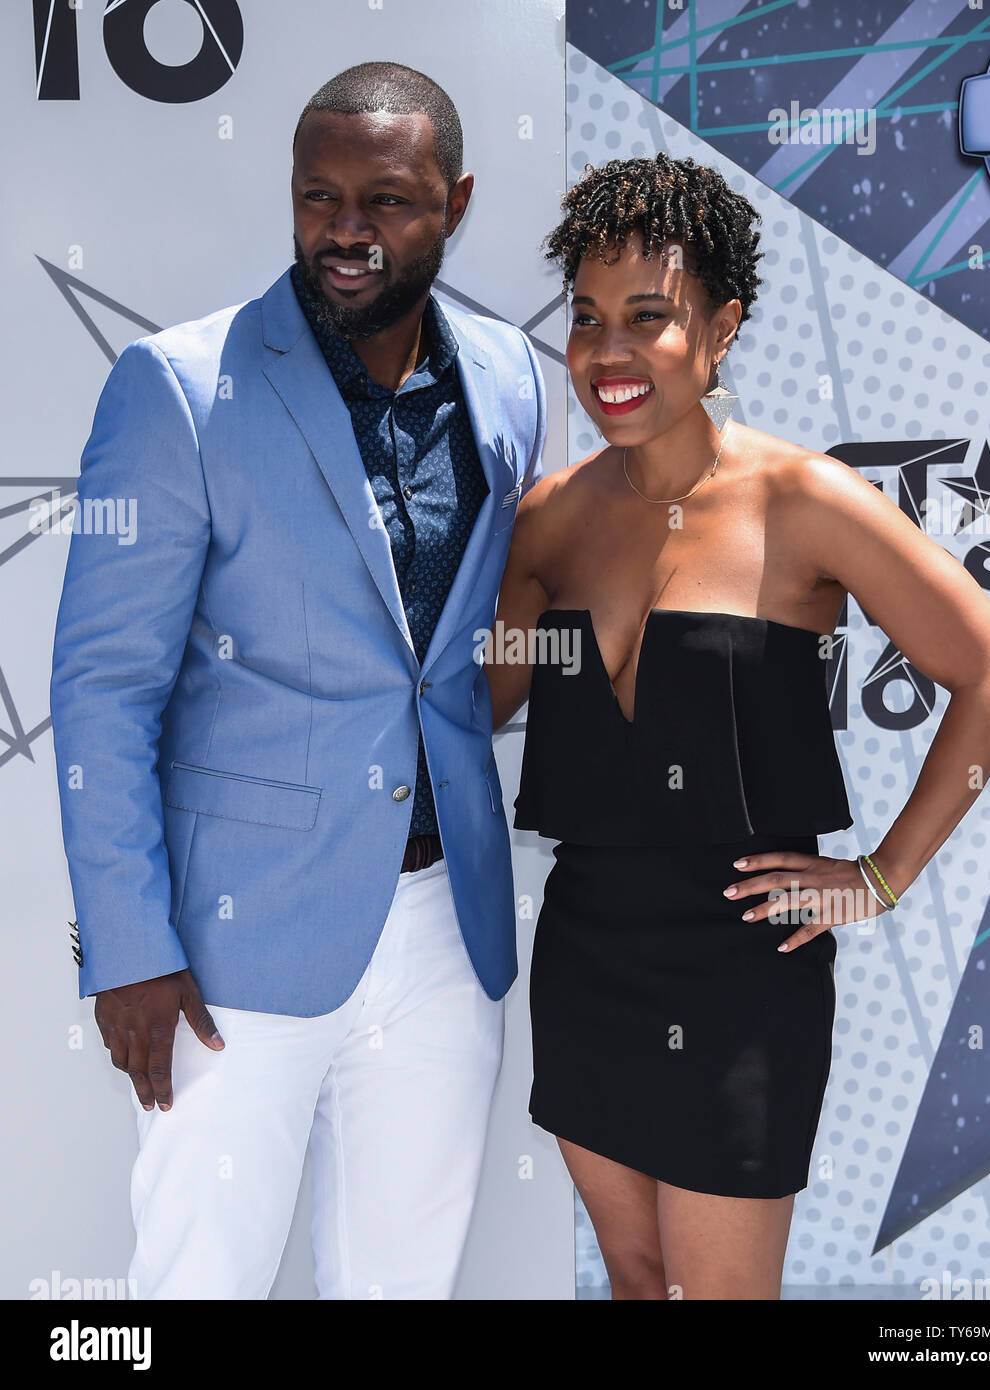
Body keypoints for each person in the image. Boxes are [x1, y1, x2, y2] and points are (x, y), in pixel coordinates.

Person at [485, 153, 990, 1301]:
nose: (607, 353)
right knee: (636, 1283)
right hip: (588, 958)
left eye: (650, 317)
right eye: (586, 319)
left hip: (743, 971)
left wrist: (879, 876)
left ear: (725, 327)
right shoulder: (547, 520)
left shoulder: (805, 500)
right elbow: (483, 699)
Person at [50, 62, 545, 1300]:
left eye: (387, 201)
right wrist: (127, 947)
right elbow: (105, 688)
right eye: (319, 196)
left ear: (458, 200)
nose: (346, 231)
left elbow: (491, 642)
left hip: (444, 930)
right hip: (230, 951)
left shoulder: (511, 379)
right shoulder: (178, 385)